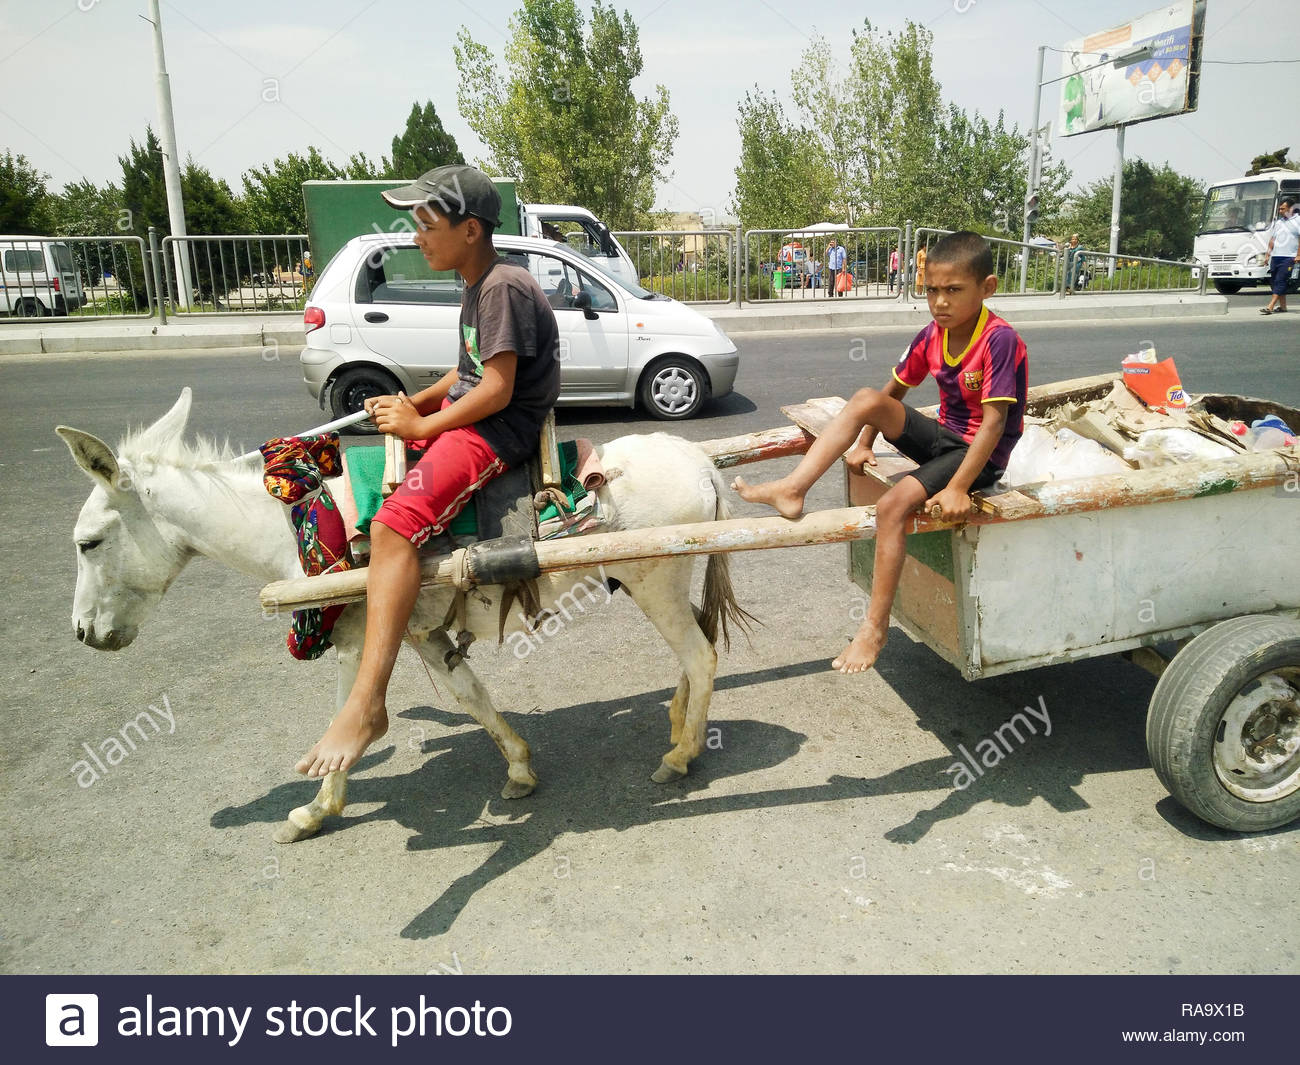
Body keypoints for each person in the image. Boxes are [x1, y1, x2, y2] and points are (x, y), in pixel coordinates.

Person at [295, 164, 561, 777]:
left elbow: (495, 389)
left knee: (392, 526)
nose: (416, 235)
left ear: (470, 229)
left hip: (498, 432)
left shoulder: (504, 288)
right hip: (471, 415)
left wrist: (421, 427)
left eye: (426, 222)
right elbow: (465, 370)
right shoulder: (478, 280)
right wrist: (416, 401)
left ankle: (368, 705)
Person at [733, 231, 1027, 675]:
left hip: (980, 456)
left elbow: (994, 423)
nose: (940, 302)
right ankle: (794, 488)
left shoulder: (999, 340)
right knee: (868, 396)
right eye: (931, 290)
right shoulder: (932, 334)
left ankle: (874, 628)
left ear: (987, 288)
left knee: (891, 507)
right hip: (946, 441)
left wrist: (960, 488)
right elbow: (894, 390)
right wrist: (866, 443)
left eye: (953, 290)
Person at [1261, 198, 1300, 315]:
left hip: (1289, 257)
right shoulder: (1278, 222)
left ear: (1291, 209)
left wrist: (1298, 255)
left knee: (1280, 280)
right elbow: (1272, 239)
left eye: (1283, 208)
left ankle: (1270, 306)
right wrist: (1267, 255)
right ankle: (1283, 307)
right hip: (1276, 256)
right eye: (1279, 208)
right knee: (1274, 281)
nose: (1280, 211)